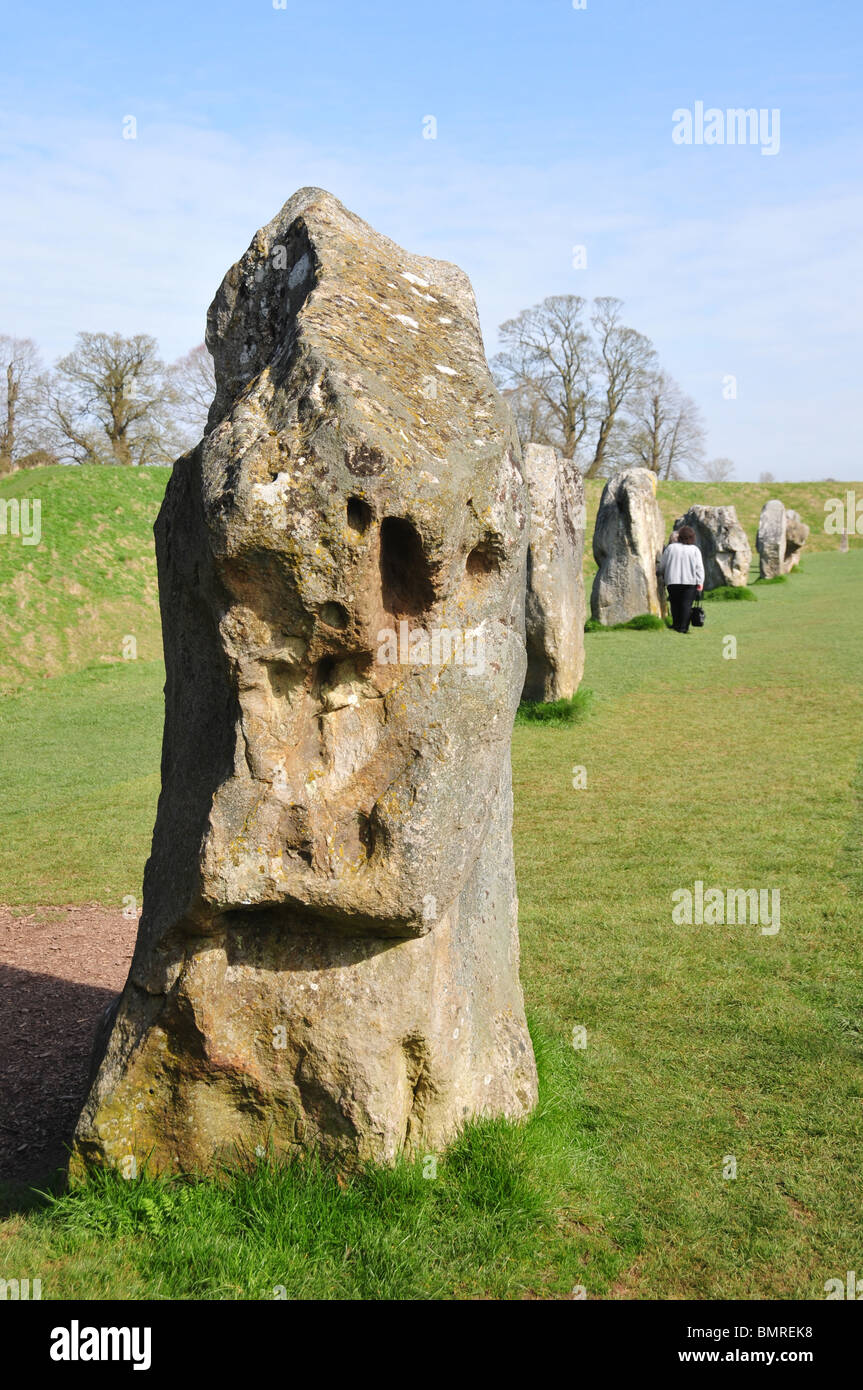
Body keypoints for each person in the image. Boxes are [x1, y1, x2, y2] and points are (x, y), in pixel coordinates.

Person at [659, 524, 705, 633]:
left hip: (672, 581)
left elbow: (662, 564)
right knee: (686, 605)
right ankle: (683, 627)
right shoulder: (695, 550)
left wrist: (660, 573)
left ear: (679, 536)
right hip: (690, 582)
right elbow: (699, 568)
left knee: (674, 604)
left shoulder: (671, 548)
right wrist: (700, 582)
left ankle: (675, 624)